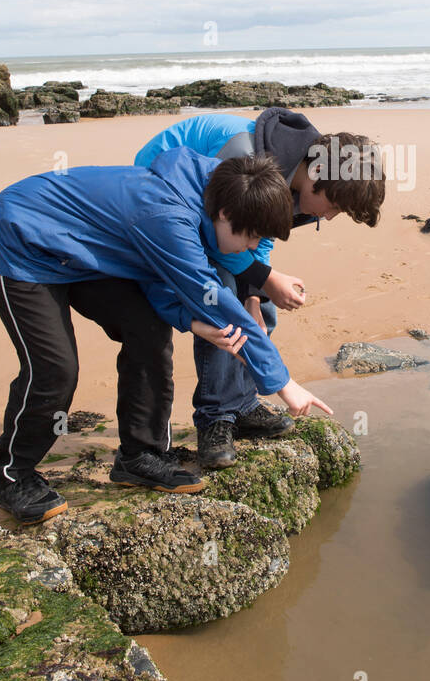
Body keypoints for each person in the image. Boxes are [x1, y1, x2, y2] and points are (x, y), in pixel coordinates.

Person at [0, 149, 332, 524]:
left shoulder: (218, 192)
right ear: (225, 215)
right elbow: (214, 297)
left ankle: (140, 456)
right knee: (55, 370)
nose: (253, 249)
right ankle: (12, 473)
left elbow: (156, 273)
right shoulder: (168, 215)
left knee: (148, 329)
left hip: (83, 253)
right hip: (19, 242)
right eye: (253, 236)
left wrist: (192, 324)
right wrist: (283, 383)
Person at [135, 107, 384, 468]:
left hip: (225, 219)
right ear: (316, 174)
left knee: (260, 307)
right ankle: (216, 419)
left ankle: (242, 402)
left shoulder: (302, 172)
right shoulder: (246, 157)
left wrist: (257, 291)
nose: (329, 217)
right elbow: (221, 235)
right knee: (221, 296)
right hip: (168, 197)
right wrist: (264, 279)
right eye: (333, 208)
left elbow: (261, 234)